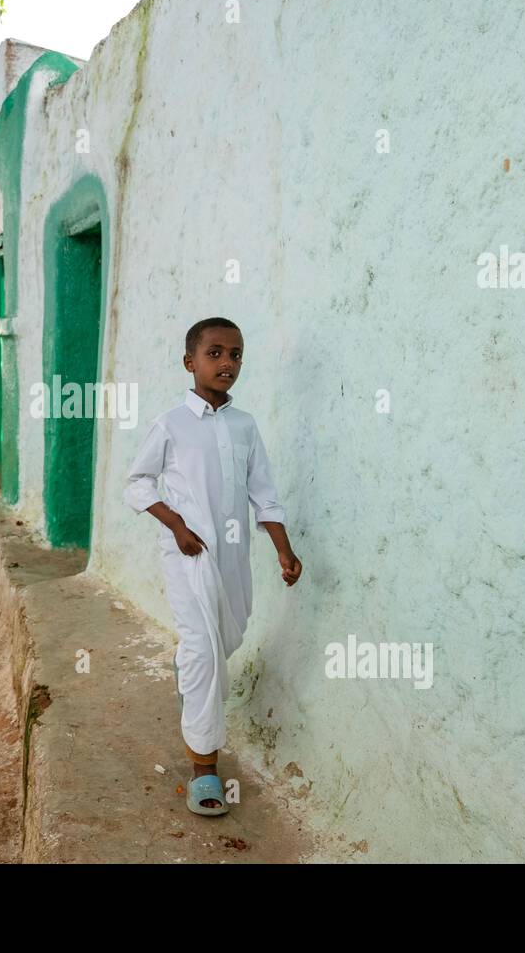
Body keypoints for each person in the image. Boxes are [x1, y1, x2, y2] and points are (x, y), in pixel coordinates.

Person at [123, 317, 302, 815]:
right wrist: (176, 525)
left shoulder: (245, 426)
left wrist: (282, 550)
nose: (227, 363)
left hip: (234, 561)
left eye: (236, 355)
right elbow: (137, 484)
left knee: (224, 641)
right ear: (190, 362)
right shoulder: (170, 425)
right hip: (190, 559)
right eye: (216, 353)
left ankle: (191, 686)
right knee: (203, 651)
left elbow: (263, 494)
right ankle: (205, 771)